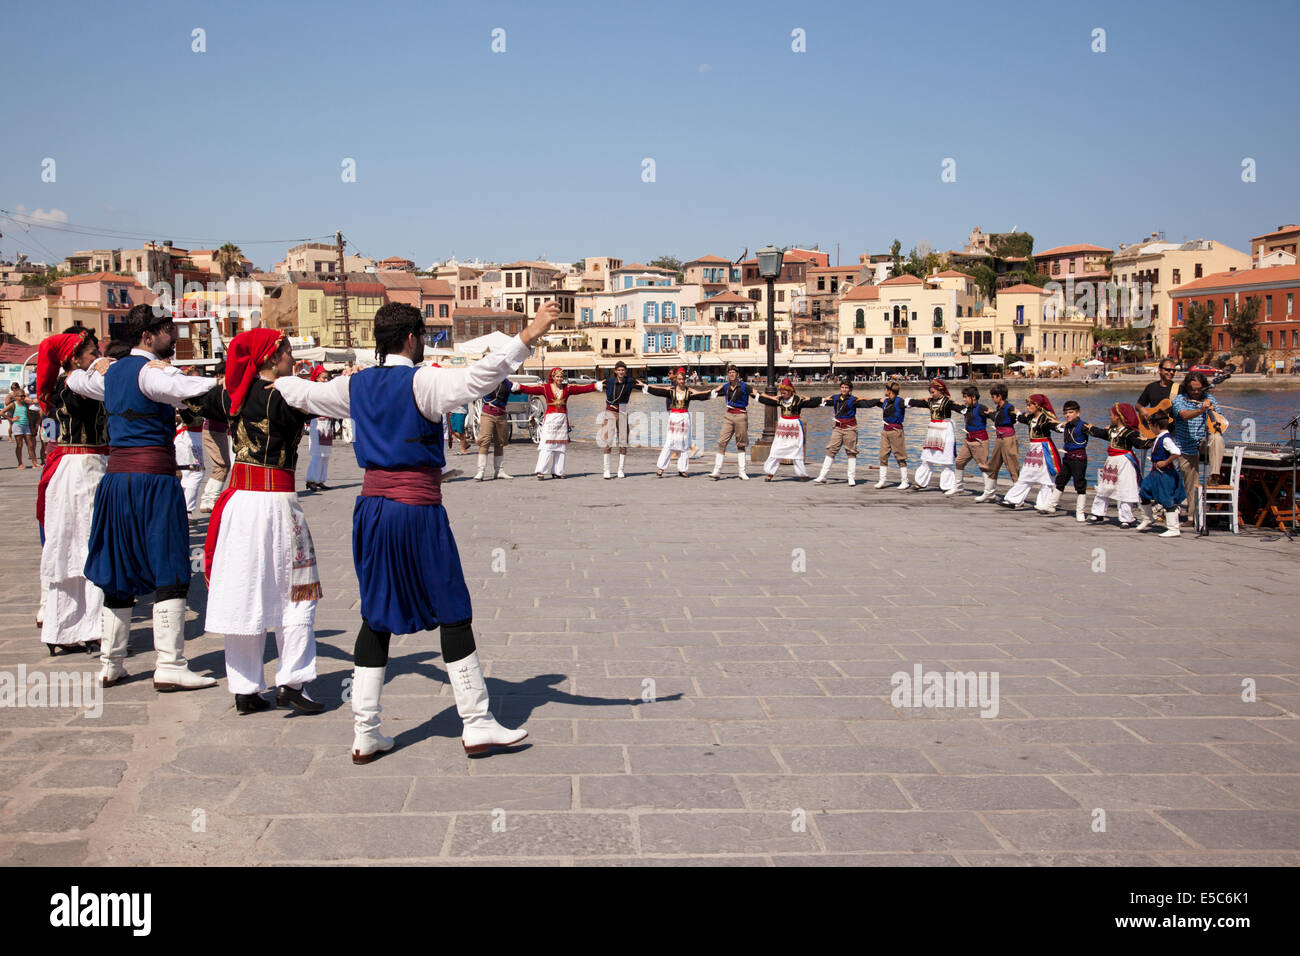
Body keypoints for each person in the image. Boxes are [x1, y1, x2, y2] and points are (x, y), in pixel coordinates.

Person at [273, 301, 562, 764]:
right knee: (453, 610)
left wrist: (265, 374)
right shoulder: (422, 380)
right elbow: (479, 377)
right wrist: (527, 335)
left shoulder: (354, 385)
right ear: (411, 338)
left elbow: (303, 393)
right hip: (416, 508)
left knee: (376, 614)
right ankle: (477, 722)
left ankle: (365, 731)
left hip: (370, 510)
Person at [72, 305, 221, 690]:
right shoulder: (154, 374)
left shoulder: (113, 373)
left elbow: (75, 380)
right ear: (147, 336)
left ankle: (111, 662)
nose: (173, 336)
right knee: (169, 563)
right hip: (152, 478)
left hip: (117, 480)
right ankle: (169, 664)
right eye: (167, 330)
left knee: (117, 566)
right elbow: (198, 390)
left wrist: (98, 365)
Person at [197, 330, 324, 715]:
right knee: (299, 592)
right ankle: (293, 680)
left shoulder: (229, 395)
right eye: (287, 352)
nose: (291, 357)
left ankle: (245, 688)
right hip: (278, 505)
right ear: (271, 358)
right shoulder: (286, 395)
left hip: (239, 504)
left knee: (243, 591)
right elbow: (329, 401)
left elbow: (189, 394)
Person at [36, 330, 110, 656]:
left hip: (73, 466)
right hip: (85, 467)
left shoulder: (65, 384)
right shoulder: (77, 383)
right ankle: (89, 627)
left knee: (71, 546)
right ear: (74, 357)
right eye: (91, 351)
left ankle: (63, 628)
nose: (95, 355)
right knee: (89, 544)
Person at [515, 367, 597, 479]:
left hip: (562, 419)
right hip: (550, 419)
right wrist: (519, 386)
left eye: (561, 377)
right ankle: (541, 471)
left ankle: (558, 471)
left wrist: (596, 386)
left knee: (560, 446)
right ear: (553, 377)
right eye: (557, 376)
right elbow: (531, 390)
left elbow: (581, 389)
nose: (559, 379)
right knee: (547, 445)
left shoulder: (567, 388)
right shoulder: (546, 388)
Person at [1086, 403, 1153, 527]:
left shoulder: (1129, 433)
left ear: (1118, 417)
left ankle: (1126, 517)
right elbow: (1101, 433)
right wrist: (1089, 428)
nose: (1110, 417)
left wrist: (1150, 442)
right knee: (1104, 486)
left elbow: (1138, 443)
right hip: (1111, 462)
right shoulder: (1112, 430)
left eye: (1111, 415)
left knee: (1126, 488)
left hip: (1124, 462)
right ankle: (1097, 513)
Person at [643, 367, 713, 477]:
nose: (681, 381)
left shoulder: (689, 392)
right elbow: (658, 392)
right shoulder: (672, 391)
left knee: (684, 442)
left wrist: (713, 393)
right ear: (677, 380)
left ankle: (682, 469)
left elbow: (701, 396)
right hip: (674, 416)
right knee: (670, 441)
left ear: (685, 380)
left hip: (684, 417)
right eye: (679, 379)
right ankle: (661, 467)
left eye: (683, 379)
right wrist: (646, 388)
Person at [1171, 371, 1227, 504]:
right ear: (1186, 387)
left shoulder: (1209, 398)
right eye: (1192, 389)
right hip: (1185, 444)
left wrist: (1212, 410)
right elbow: (1184, 415)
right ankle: (1192, 517)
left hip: (1203, 442)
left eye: (1198, 389)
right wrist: (1201, 410)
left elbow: (1220, 422)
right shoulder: (1179, 399)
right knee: (1191, 483)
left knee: (1217, 438)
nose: (1195, 392)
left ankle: (1214, 475)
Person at [998, 394, 1060, 513]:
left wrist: (1061, 425)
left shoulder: (1045, 418)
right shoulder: (1031, 418)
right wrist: (1017, 412)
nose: (1028, 407)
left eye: (1030, 404)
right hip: (1033, 449)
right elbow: (1022, 419)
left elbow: (1054, 426)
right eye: (1027, 404)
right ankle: (1014, 500)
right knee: (1026, 475)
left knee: (1046, 478)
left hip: (1044, 448)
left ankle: (1044, 504)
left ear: (1037, 406)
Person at [755, 378, 822, 481]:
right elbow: (768, 401)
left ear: (790, 390)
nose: (783, 393)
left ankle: (802, 474)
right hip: (783, 426)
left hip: (794, 426)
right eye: (781, 391)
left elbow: (811, 403)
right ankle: (770, 473)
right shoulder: (781, 399)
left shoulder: (798, 399)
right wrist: (755, 394)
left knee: (797, 449)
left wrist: (823, 400)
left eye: (785, 391)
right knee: (776, 448)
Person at [905, 379, 961, 493]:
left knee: (946, 460)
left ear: (940, 391)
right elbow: (918, 403)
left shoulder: (947, 402)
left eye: (933, 392)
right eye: (930, 392)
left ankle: (947, 485)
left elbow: (958, 408)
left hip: (945, 431)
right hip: (933, 432)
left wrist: (965, 409)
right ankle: (921, 482)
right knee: (926, 458)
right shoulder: (930, 402)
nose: (931, 394)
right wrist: (908, 401)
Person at [812, 378, 870, 485]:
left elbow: (868, 402)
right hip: (837, 428)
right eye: (842, 387)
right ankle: (822, 475)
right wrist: (812, 399)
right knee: (831, 450)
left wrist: (863, 398)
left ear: (850, 389)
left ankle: (851, 477)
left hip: (850, 428)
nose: (844, 389)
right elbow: (823, 400)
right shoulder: (835, 398)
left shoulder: (853, 400)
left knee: (851, 452)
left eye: (846, 388)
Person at [1137, 409, 1185, 537]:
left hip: (1165, 474)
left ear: (1156, 426)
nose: (1150, 428)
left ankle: (1173, 528)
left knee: (1167, 498)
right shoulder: (1160, 437)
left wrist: (1165, 462)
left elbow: (1176, 452)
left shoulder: (1166, 439)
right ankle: (1148, 517)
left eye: (1151, 426)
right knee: (1143, 491)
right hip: (1155, 474)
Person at [709, 366, 754, 480]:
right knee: (721, 442)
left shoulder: (744, 386)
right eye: (729, 373)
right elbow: (713, 393)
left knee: (741, 444)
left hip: (741, 415)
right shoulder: (726, 386)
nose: (731, 374)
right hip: (728, 416)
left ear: (737, 374)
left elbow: (757, 394)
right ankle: (717, 470)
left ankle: (742, 471)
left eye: (733, 372)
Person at [861, 382, 909, 489]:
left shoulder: (900, 401)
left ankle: (905, 481)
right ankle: (882, 480)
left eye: (885, 389)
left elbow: (913, 403)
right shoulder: (885, 401)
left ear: (889, 390)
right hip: (885, 431)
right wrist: (859, 398)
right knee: (883, 456)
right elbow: (869, 403)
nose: (884, 391)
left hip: (896, 431)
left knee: (900, 456)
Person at [977, 383, 1019, 502]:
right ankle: (989, 492)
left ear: (999, 396)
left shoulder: (1009, 407)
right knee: (993, 465)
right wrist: (991, 414)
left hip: (1008, 439)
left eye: (993, 396)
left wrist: (1019, 414)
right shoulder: (999, 409)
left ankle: (1017, 496)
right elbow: (997, 418)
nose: (992, 399)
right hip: (999, 439)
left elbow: (1014, 415)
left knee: (1012, 466)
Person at [198, 361, 231, 513]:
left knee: (222, 465)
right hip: (213, 430)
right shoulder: (216, 389)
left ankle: (209, 499)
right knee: (222, 465)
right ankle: (210, 499)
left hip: (219, 430)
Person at [1052, 400, 1091, 522]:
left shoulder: (1083, 426)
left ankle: (1080, 512)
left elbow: (1096, 432)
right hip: (1068, 458)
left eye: (1071, 412)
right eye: (1066, 413)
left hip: (1079, 459)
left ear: (1077, 413)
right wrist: (1058, 423)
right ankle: (1051, 505)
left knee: (1079, 484)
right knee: (1061, 480)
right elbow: (1060, 426)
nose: (1068, 415)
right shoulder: (1067, 425)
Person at [952, 386, 993, 497]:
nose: (964, 399)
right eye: (963, 397)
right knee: (959, 461)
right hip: (968, 440)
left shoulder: (981, 408)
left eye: (966, 397)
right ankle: (959, 487)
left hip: (979, 441)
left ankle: (989, 492)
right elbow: (956, 407)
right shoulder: (967, 408)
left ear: (973, 397)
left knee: (983, 466)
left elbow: (992, 415)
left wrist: (992, 413)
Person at [597, 361, 634, 479]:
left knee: (623, 442)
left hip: (623, 412)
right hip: (610, 411)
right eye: (619, 370)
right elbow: (596, 385)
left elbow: (644, 386)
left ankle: (620, 470)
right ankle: (606, 470)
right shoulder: (609, 381)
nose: (621, 372)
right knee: (608, 441)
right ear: (615, 371)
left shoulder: (629, 381)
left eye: (623, 370)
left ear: (625, 371)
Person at [473, 377, 514, 481]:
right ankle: (481, 471)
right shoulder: (487, 380)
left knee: (500, 442)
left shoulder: (508, 382)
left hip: (501, 414)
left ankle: (499, 471)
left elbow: (518, 390)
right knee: (485, 440)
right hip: (488, 412)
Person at [305, 366, 334, 491]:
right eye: (323, 378)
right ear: (317, 378)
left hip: (327, 424)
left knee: (325, 454)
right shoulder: (313, 390)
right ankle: (311, 479)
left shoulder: (328, 390)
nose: (326, 380)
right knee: (317, 454)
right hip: (317, 422)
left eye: (327, 378)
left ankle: (321, 479)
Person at [6, 382, 36, 468]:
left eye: (24, 396)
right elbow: (2, 412)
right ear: (16, 397)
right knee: (19, 445)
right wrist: (11, 419)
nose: (23, 397)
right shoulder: (13, 404)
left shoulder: (25, 405)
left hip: (26, 426)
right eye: (21, 396)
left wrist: (32, 426)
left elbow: (28, 416)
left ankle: (34, 463)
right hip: (18, 425)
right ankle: (20, 463)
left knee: (30, 444)